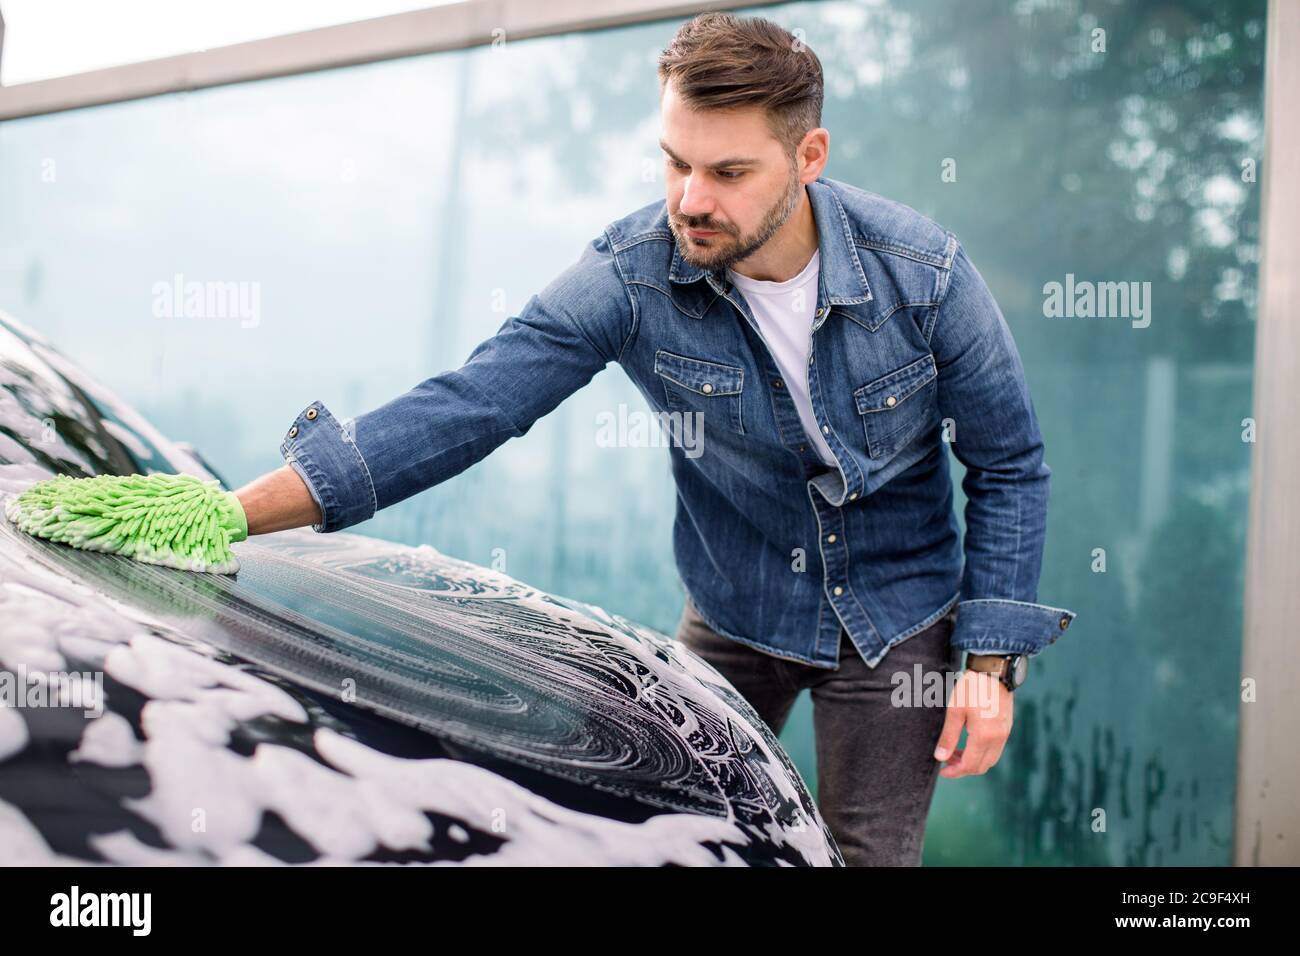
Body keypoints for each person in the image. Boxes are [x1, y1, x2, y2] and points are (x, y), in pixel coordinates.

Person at [234, 12, 1076, 866]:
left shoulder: (925, 273)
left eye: (728, 171)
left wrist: (990, 661)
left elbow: (1009, 463)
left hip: (900, 616)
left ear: (809, 158)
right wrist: (228, 514)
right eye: (675, 162)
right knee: (667, 847)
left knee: (866, 859)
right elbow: (473, 404)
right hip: (735, 604)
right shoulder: (630, 274)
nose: (690, 199)